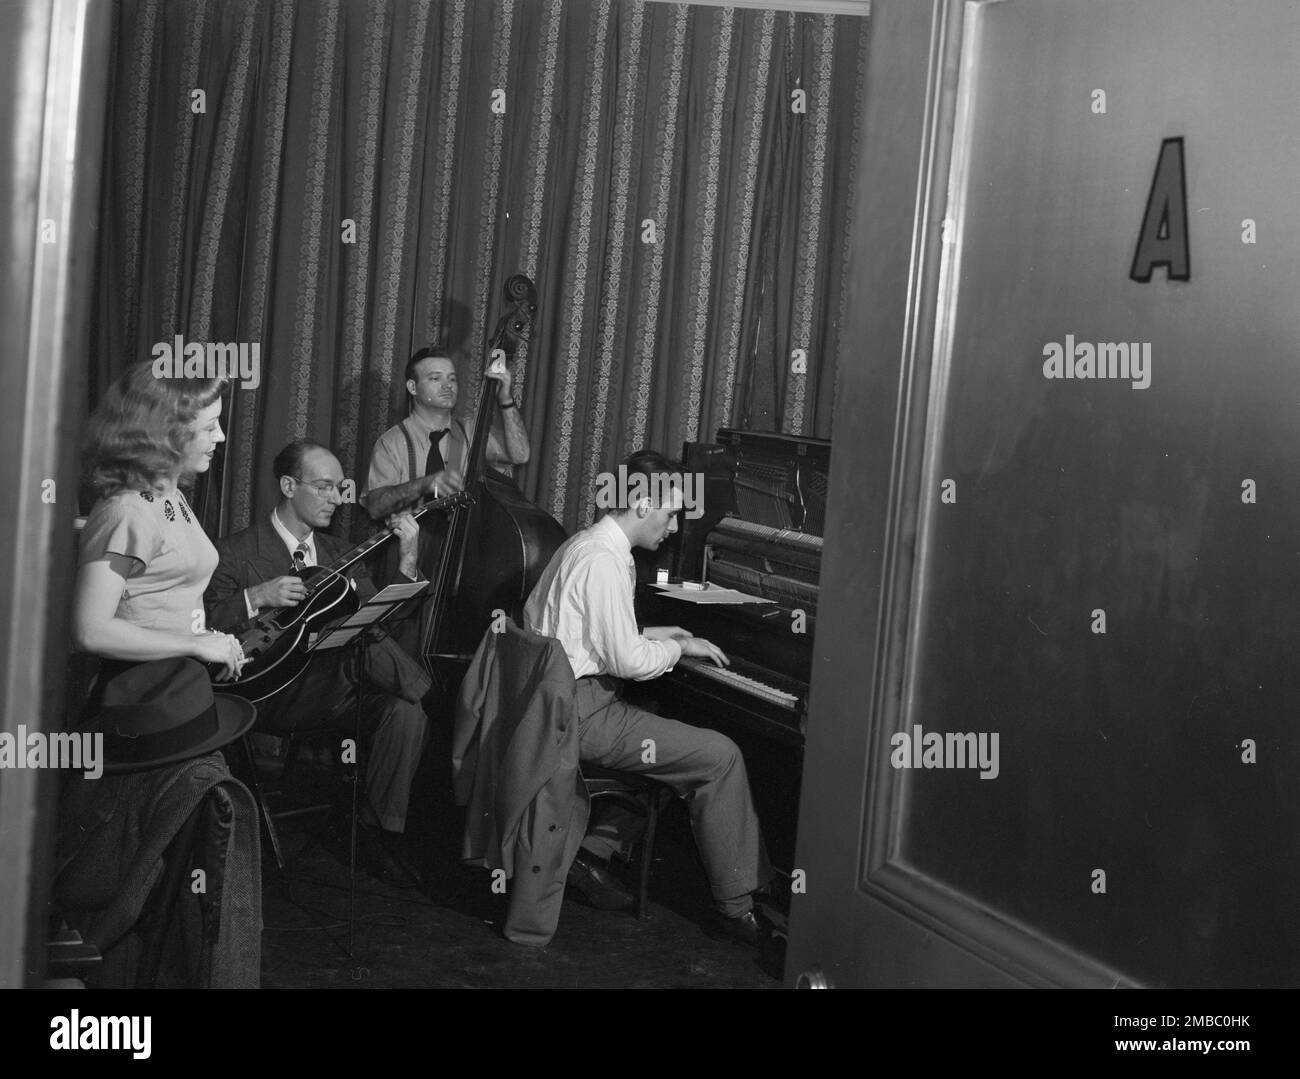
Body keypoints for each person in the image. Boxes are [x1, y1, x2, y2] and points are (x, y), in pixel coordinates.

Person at [523, 450, 774, 945]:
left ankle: (592, 850)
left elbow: (589, 634)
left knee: (661, 718)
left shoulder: (585, 544)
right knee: (721, 756)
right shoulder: (604, 561)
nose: (676, 527)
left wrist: (655, 632)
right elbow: (629, 662)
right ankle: (738, 905)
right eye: (672, 512)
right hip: (580, 714)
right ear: (641, 503)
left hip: (560, 701)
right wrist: (678, 647)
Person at [66, 359, 260, 987]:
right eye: (209, 426)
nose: (221, 438)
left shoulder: (168, 493)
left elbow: (160, 584)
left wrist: (207, 638)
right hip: (144, 718)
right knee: (140, 885)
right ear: (167, 434)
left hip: (181, 704)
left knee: (179, 883)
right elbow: (91, 629)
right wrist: (196, 644)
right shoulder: (129, 510)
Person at [203, 440, 431, 878]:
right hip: (269, 691)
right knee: (376, 657)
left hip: (333, 687)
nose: (336, 497)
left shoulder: (339, 552)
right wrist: (255, 597)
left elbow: (385, 619)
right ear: (289, 485)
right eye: (324, 486)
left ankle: (378, 833)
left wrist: (408, 555)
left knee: (406, 713)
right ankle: (432, 691)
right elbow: (201, 623)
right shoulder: (233, 551)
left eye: (339, 487)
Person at [362, 346, 529, 520]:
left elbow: (520, 455)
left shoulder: (472, 432)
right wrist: (424, 484)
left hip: (462, 545)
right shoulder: (391, 442)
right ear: (412, 387)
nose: (447, 385)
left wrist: (505, 399)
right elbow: (375, 507)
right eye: (435, 378)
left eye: (452, 379)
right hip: (409, 545)